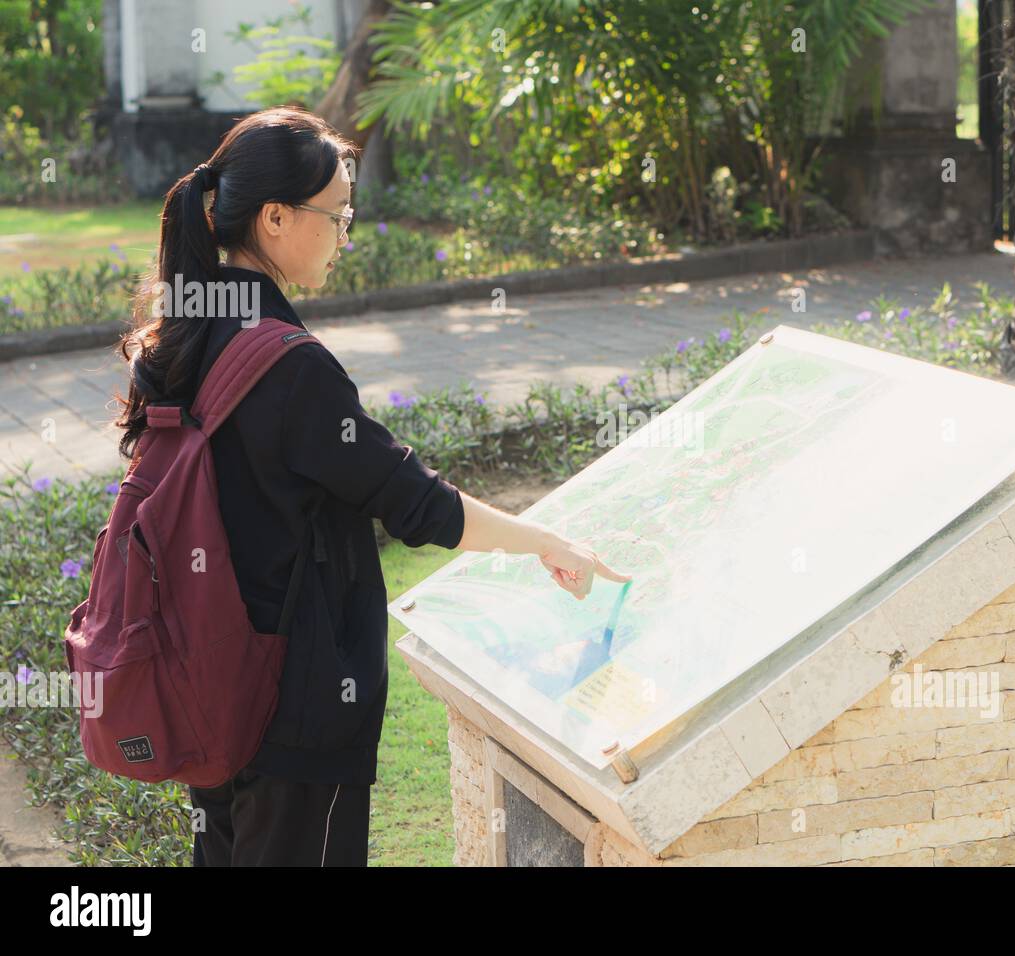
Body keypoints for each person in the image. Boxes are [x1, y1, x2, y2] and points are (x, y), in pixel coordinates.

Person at [111, 106, 629, 866]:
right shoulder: (289, 364)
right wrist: (545, 542)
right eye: (337, 216)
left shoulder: (182, 334)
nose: (346, 238)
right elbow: (415, 500)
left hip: (207, 681)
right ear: (278, 218)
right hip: (293, 709)